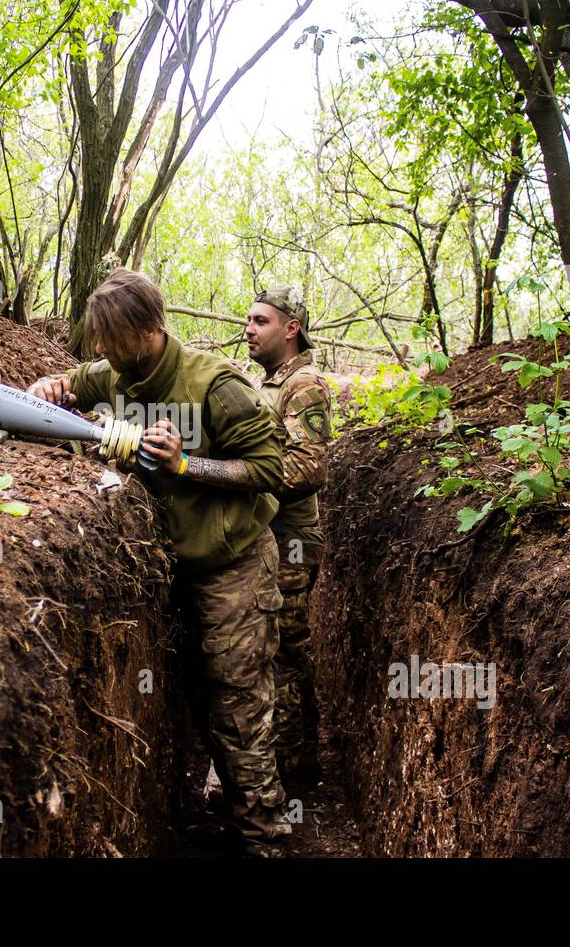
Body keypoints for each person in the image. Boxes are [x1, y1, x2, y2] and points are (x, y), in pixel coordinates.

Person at [27, 268, 292, 854]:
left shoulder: (216, 384)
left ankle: (265, 838)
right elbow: (72, 382)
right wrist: (50, 385)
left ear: (149, 328)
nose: (100, 350)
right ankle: (224, 807)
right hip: (172, 566)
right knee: (197, 695)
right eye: (95, 340)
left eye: (110, 337)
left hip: (235, 564)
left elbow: (271, 471)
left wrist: (185, 466)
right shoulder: (112, 370)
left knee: (239, 705)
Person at [243, 285, 332, 786]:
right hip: (269, 533)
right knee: (273, 647)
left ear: (290, 328)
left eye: (260, 321)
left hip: (292, 538)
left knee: (287, 651)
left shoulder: (305, 386)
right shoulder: (270, 382)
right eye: (249, 320)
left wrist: (241, 473)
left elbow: (312, 466)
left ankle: (295, 771)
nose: (248, 329)